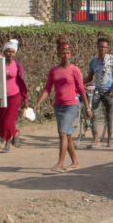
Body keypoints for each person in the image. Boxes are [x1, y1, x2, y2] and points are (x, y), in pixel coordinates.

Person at [34, 42, 91, 172]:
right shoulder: (53, 71)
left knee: (62, 133)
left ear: (70, 55)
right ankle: (75, 162)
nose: (65, 55)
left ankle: (60, 163)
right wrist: (38, 103)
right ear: (59, 54)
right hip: (58, 106)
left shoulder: (74, 70)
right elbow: (47, 89)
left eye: (67, 53)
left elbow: (82, 90)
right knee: (68, 135)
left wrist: (87, 108)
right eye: (63, 52)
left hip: (71, 105)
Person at [86, 36, 113, 148]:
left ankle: (109, 139)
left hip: (109, 92)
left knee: (109, 116)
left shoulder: (112, 60)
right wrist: (80, 83)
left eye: (105, 47)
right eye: (101, 47)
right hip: (96, 91)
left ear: (108, 48)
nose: (103, 49)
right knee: (93, 115)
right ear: (97, 47)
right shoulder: (93, 61)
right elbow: (89, 77)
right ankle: (96, 139)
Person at [0, 40, 28, 153]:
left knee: (8, 121)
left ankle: (7, 144)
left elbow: (22, 82)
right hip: (0, 96)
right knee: (0, 121)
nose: (10, 54)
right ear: (4, 52)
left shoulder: (17, 66)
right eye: (8, 51)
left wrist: (25, 98)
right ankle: (15, 133)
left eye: (12, 52)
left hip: (14, 96)